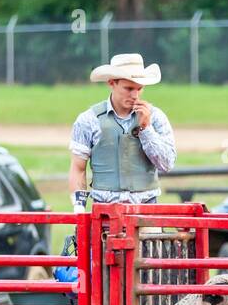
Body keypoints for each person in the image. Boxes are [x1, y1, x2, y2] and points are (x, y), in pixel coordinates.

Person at [68, 53, 177, 209]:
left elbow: (166, 164)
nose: (135, 95)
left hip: (146, 210)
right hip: (105, 212)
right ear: (112, 83)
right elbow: (78, 168)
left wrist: (145, 128)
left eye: (140, 88)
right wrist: (79, 209)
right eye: (129, 88)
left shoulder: (156, 117)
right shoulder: (89, 120)